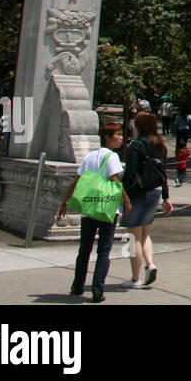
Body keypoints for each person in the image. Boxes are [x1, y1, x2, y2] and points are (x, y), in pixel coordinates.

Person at [57, 122, 132, 303]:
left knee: (84, 250)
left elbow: (76, 180)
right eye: (117, 134)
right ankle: (97, 291)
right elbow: (114, 180)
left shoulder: (89, 157)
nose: (121, 138)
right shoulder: (112, 157)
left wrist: (64, 203)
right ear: (107, 137)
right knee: (103, 251)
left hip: (88, 210)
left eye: (122, 135)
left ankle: (77, 286)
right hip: (106, 210)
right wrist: (127, 201)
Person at [123, 112, 173, 289]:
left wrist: (123, 195)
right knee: (145, 232)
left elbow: (130, 173)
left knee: (133, 235)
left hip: (138, 192)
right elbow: (164, 173)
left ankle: (135, 278)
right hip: (155, 191)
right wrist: (166, 197)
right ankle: (150, 264)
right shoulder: (160, 146)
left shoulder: (136, 145)